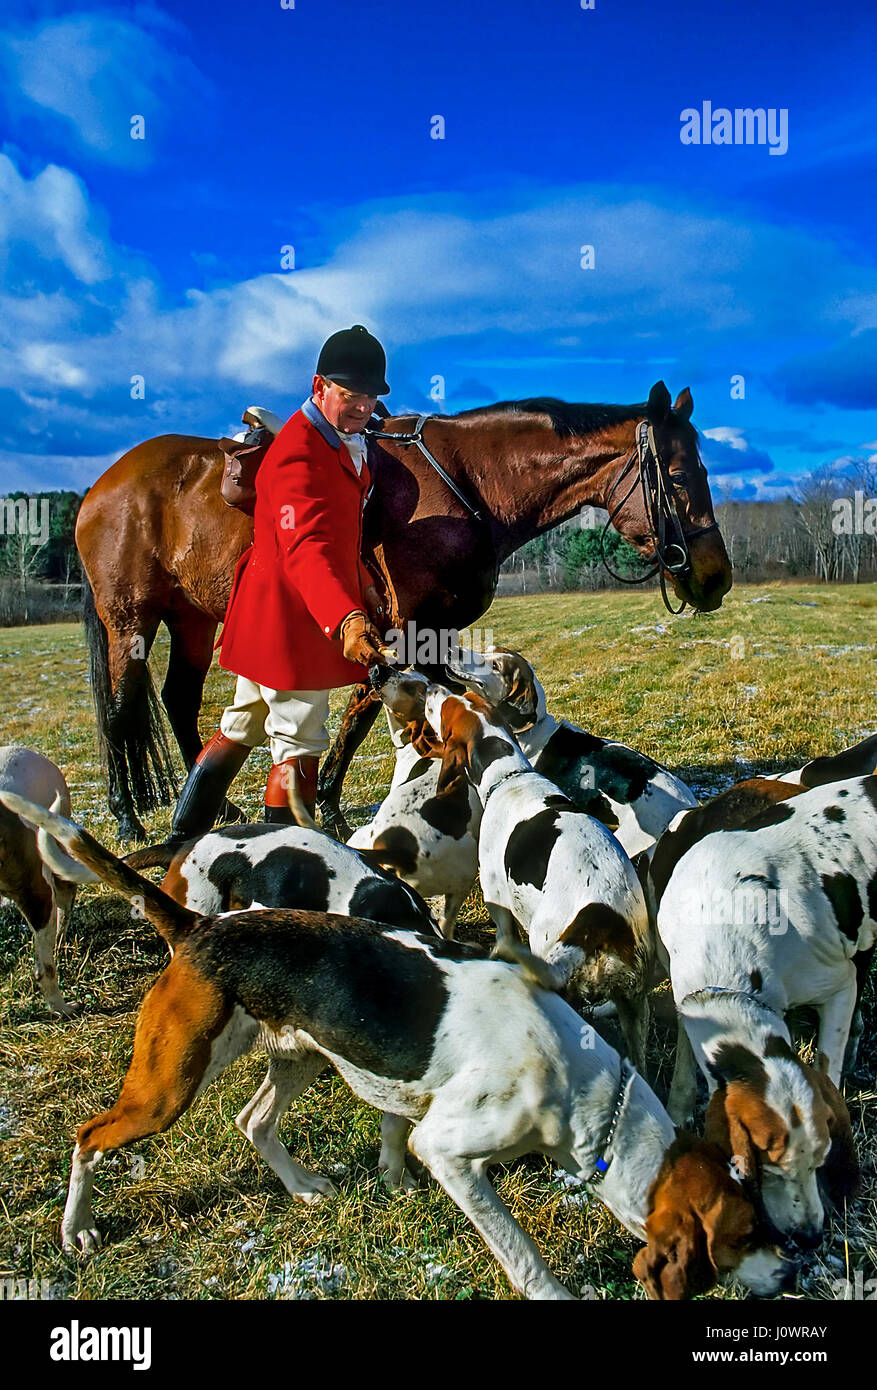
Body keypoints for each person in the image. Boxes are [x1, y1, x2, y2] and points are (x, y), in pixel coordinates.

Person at [169, 324, 388, 839]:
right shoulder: (297, 453)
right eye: (350, 395)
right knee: (300, 739)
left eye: (370, 398)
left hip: (284, 611)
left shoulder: (337, 440)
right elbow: (306, 550)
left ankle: (182, 839)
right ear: (319, 388)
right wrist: (347, 619)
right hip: (291, 619)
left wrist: (364, 584)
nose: (362, 408)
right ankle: (286, 869)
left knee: (242, 722)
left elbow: (337, 537)